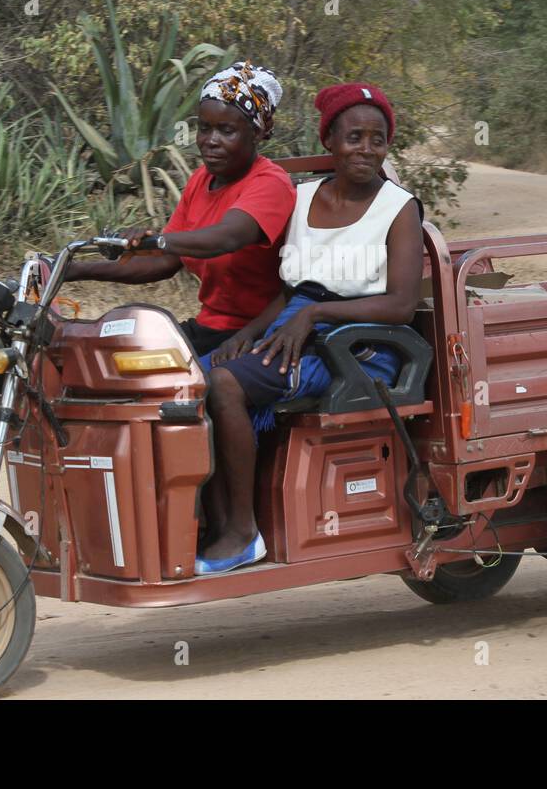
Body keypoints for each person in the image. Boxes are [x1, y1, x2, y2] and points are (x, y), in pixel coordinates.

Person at [195, 82, 424, 574]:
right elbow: (288, 287)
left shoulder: (399, 207)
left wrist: (316, 315)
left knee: (226, 385)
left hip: (358, 342)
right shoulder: (300, 200)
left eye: (378, 139)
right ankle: (210, 522)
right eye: (354, 137)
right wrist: (249, 333)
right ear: (329, 141)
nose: (366, 150)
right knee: (191, 379)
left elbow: (402, 304)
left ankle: (243, 533)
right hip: (294, 321)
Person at [65, 62, 296, 357]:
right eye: (204, 128)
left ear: (257, 133)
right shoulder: (202, 180)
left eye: (227, 131)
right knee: (105, 356)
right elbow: (164, 263)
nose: (211, 141)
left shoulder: (270, 183)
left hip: (255, 334)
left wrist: (158, 241)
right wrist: (71, 271)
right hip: (209, 328)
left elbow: (227, 237)